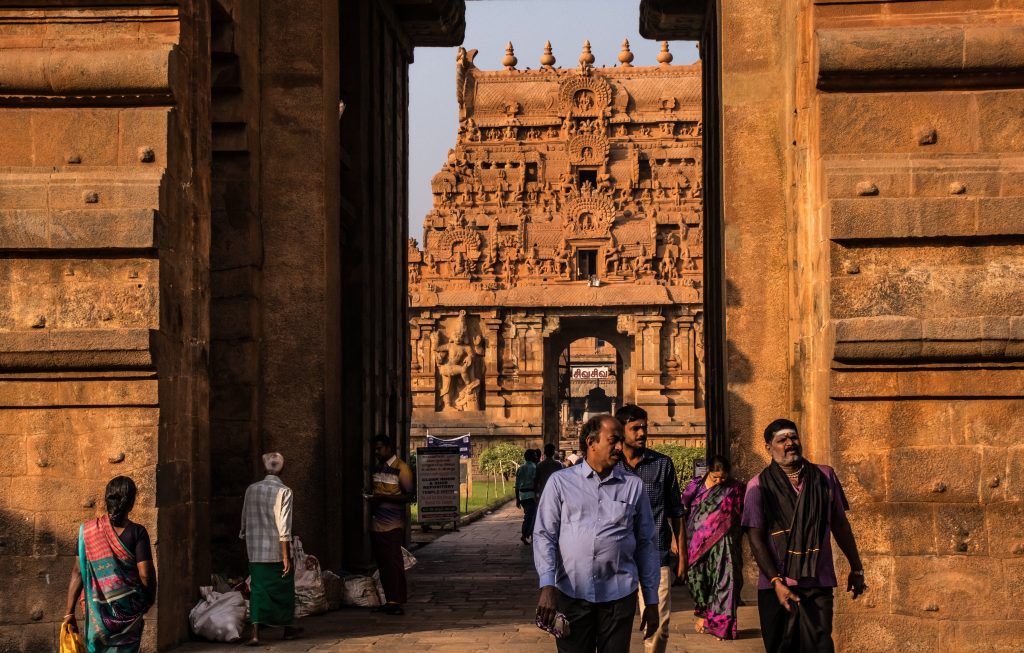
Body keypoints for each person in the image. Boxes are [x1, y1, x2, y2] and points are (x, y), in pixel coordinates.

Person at [534, 414, 660, 652]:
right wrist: (547, 585)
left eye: (621, 440)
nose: (620, 447)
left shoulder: (633, 486)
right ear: (591, 442)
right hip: (571, 593)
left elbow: (646, 543)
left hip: (619, 594)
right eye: (613, 440)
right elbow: (544, 535)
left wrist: (651, 600)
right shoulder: (560, 483)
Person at [743, 419, 867, 652]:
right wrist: (776, 582)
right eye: (782, 440)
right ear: (769, 448)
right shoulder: (758, 486)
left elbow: (840, 526)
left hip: (817, 583)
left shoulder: (824, 476)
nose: (790, 444)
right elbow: (756, 539)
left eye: (793, 438)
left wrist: (856, 567)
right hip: (776, 587)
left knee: (820, 647)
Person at [614, 404, 684, 653]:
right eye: (636, 428)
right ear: (621, 431)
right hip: (617, 558)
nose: (643, 433)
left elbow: (676, 512)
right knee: (614, 627)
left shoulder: (662, 464)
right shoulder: (610, 467)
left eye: (645, 427)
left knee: (659, 626)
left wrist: (682, 557)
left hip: (656, 554)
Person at [63, 476, 156, 653]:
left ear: (107, 500)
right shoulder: (137, 532)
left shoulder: (87, 532)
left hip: (97, 616)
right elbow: (145, 574)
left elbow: (77, 573)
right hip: (129, 614)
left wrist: (69, 612)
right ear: (131, 502)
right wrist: (149, 599)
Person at [680, 454, 744, 640]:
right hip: (695, 544)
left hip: (725, 544)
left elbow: (742, 514)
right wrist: (677, 541)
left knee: (725, 581)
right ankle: (703, 614)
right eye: (715, 477)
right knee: (696, 580)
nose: (718, 481)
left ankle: (721, 626)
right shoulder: (695, 485)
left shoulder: (735, 489)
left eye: (723, 478)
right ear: (708, 471)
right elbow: (681, 510)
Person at [240, 452, 300, 645]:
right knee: (284, 587)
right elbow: (284, 526)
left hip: (255, 549)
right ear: (282, 469)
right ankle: (287, 627)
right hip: (275, 550)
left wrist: (244, 537)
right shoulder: (285, 491)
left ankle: (256, 633)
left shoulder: (251, 489)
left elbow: (245, 517)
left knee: (258, 589)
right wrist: (285, 556)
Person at [368, 434, 416, 615]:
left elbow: (408, 495)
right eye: (375, 449)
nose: (377, 452)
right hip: (377, 523)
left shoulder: (402, 468)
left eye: (379, 448)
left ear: (389, 448)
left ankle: (397, 600)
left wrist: (384, 498)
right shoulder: (378, 468)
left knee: (394, 563)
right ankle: (389, 599)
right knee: (383, 564)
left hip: (393, 524)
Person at [515, 449, 539, 545]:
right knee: (530, 516)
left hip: (522, 495)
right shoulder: (535, 468)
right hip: (531, 495)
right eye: (535, 456)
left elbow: (517, 485)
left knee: (529, 515)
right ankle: (525, 534)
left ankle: (527, 534)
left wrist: (517, 499)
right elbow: (536, 483)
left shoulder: (521, 468)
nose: (536, 457)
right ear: (532, 457)